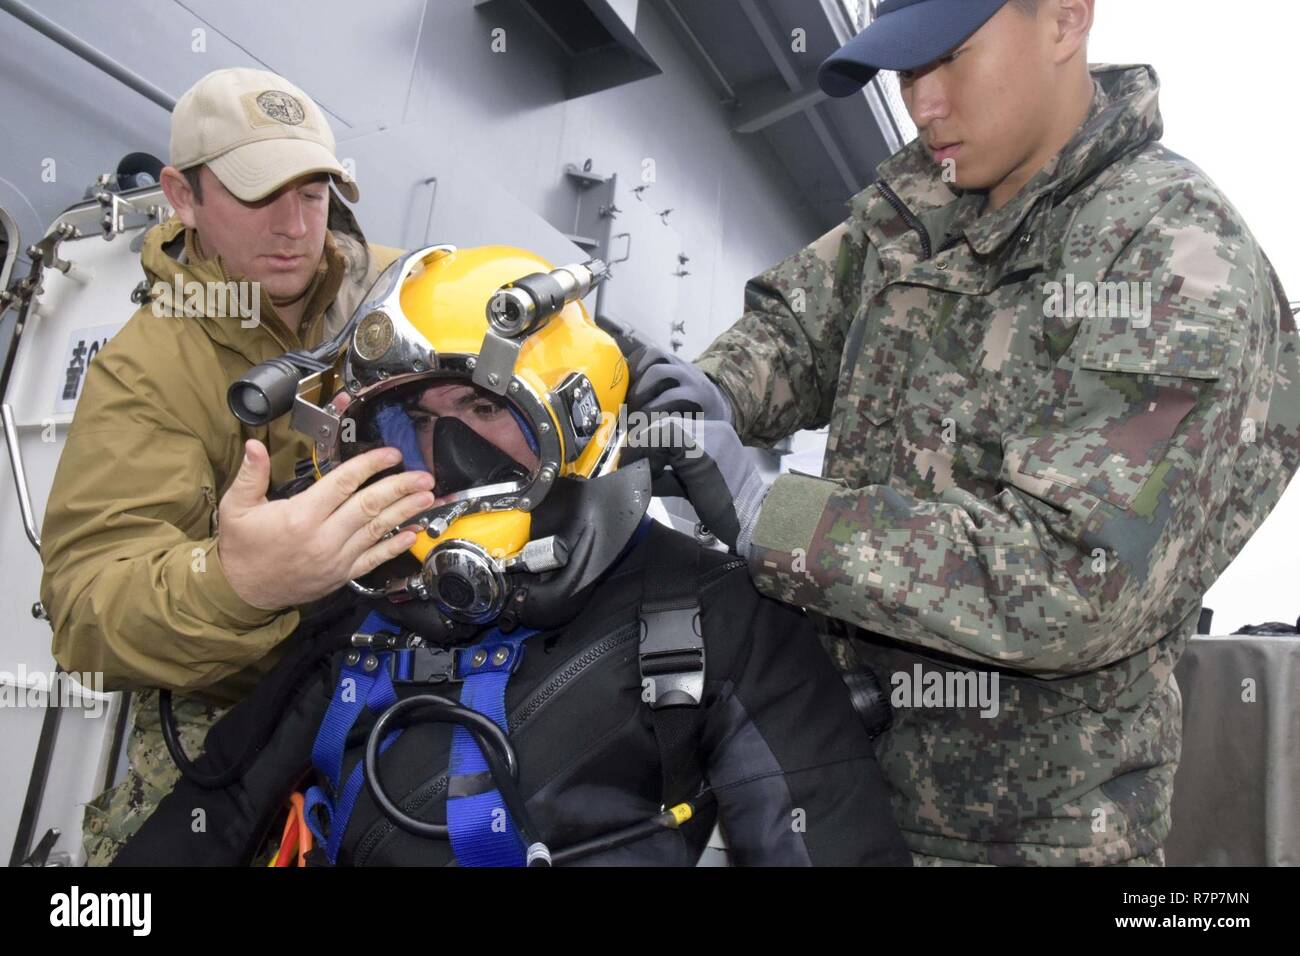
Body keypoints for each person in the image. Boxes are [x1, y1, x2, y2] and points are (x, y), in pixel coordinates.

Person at [623, 0, 1300, 865]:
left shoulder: (1174, 252)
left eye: (948, 59)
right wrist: (695, 398)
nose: (924, 104)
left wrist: (772, 516)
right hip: (825, 781)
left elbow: (1074, 581)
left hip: (1017, 837)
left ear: (1065, 20)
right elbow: (794, 334)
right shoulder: (917, 205)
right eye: (907, 73)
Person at [111, 244, 911, 867]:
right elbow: (200, 825)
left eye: (482, 405)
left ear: (569, 416)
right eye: (418, 419)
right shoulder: (364, 597)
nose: (446, 448)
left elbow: (827, 836)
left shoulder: (710, 608)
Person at [38, 67, 427, 865]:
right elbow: (83, 606)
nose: (294, 227)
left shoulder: (403, 292)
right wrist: (241, 584)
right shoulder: (146, 370)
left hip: (406, 664)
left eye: (315, 194)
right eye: (260, 195)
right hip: (235, 701)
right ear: (183, 197)